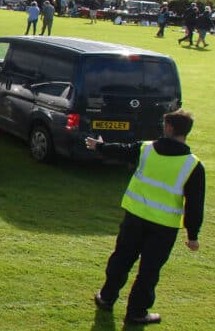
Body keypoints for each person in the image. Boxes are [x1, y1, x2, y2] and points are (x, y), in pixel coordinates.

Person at [85, 110, 206, 325]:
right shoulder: (193, 165)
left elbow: (122, 151)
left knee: (121, 259)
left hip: (135, 218)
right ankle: (136, 312)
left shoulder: (146, 149)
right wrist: (193, 235)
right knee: (149, 271)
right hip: (164, 227)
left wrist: (99, 146)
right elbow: (195, 204)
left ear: (169, 127)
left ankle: (106, 297)